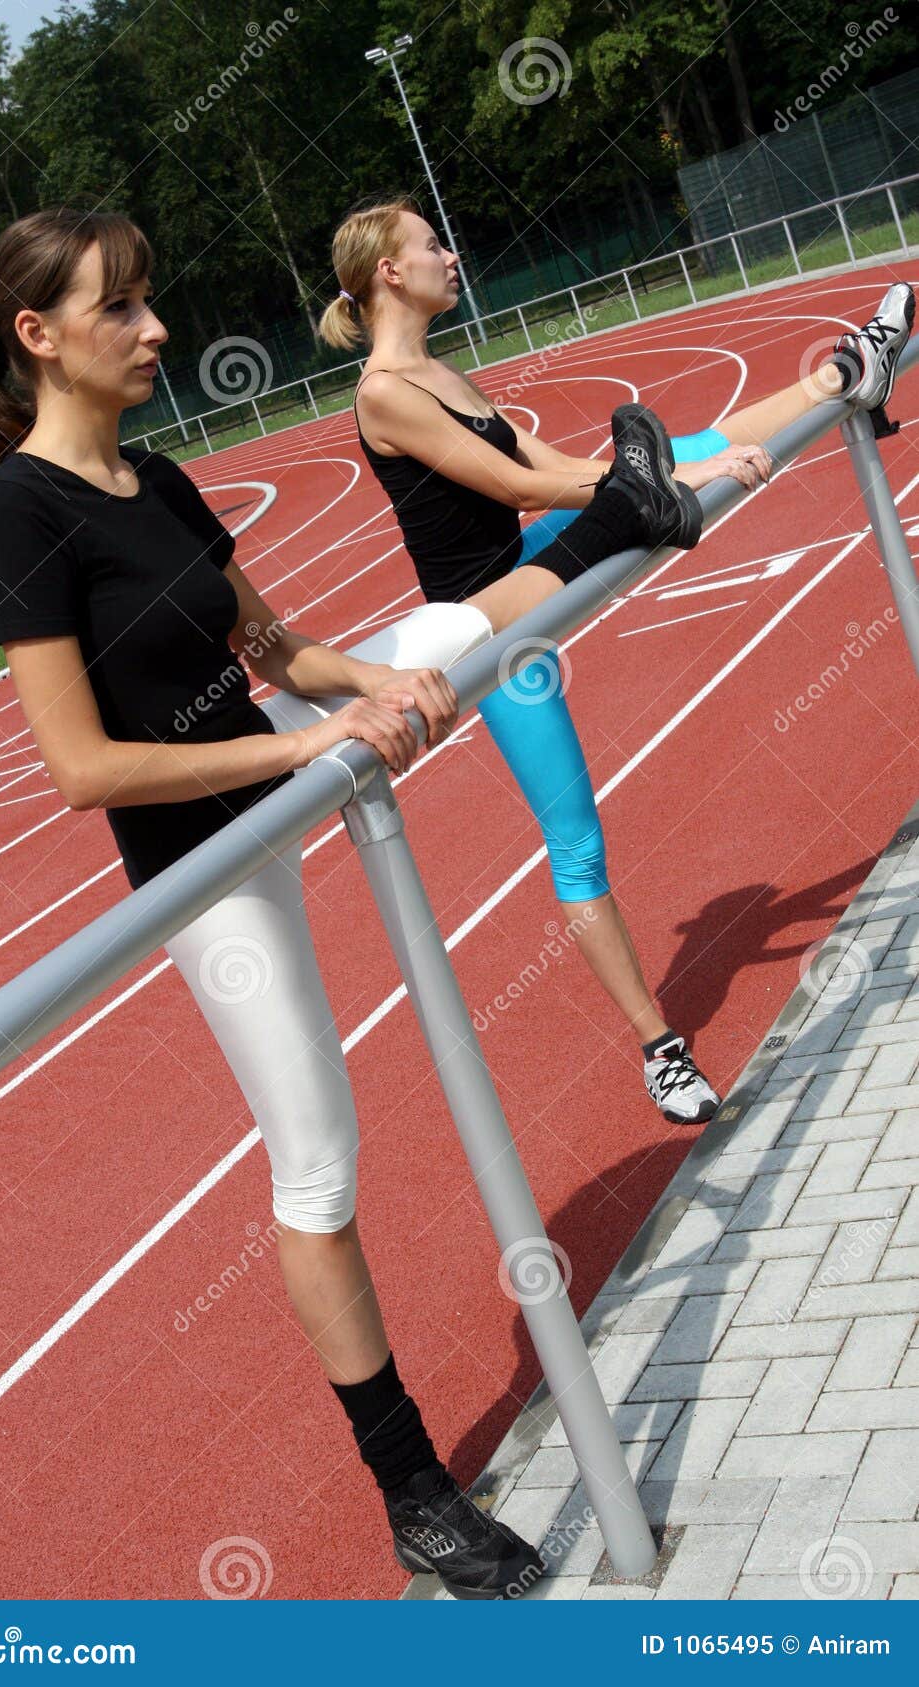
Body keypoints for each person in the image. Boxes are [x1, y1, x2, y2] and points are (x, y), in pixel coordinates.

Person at [0, 204, 543, 1600]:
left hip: (273, 788)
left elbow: (271, 643)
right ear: (38, 334)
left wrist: (370, 684)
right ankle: (411, 1490)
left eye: (148, 298)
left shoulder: (157, 476)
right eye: (119, 307)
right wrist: (303, 748)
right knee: (319, 1164)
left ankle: (644, 501)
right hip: (202, 865)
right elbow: (81, 767)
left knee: (451, 629)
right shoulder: (17, 510)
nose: (156, 328)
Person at [318, 195, 915, 1124]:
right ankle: (658, 1050)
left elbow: (545, 456)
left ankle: (845, 373)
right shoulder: (385, 391)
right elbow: (514, 484)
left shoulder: (437, 369)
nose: (451, 253)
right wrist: (660, 481)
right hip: (491, 626)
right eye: (433, 244)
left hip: (536, 553)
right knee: (575, 840)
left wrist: (670, 469)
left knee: (689, 446)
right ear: (389, 272)